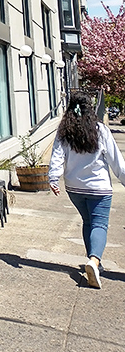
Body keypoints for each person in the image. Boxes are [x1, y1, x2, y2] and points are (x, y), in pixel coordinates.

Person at [49, 90, 125, 289]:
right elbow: (115, 160)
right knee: (99, 224)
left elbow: (57, 155)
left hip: (74, 187)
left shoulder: (64, 130)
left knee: (88, 222)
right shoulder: (100, 130)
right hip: (98, 187)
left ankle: (92, 261)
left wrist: (53, 177)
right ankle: (94, 261)